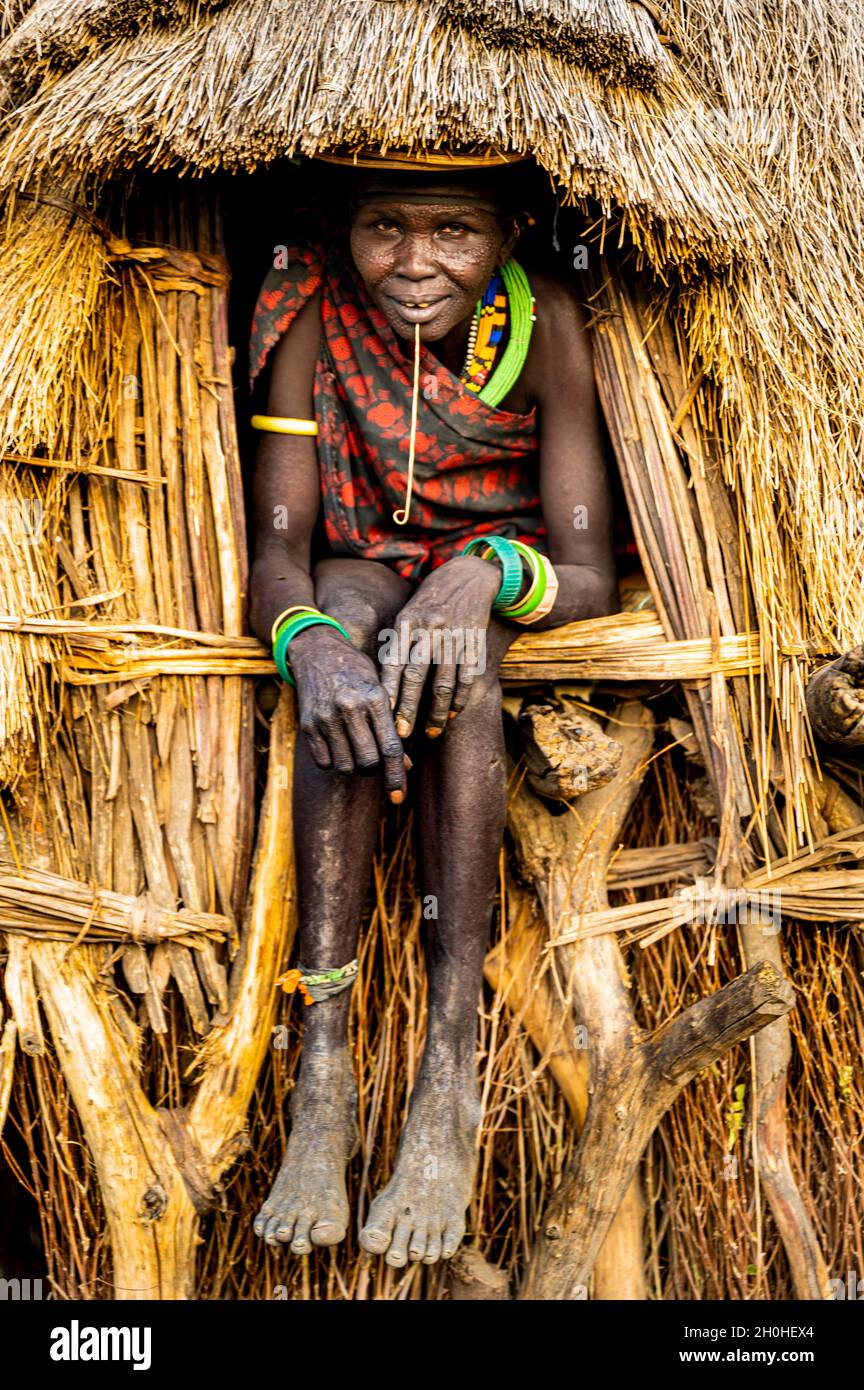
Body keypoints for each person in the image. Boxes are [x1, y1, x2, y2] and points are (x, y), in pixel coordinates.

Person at [249, 162, 616, 1268]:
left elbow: (590, 564)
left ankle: (446, 1075)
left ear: (510, 230)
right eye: (384, 228)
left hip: (492, 580)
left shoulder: (545, 323)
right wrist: (306, 641)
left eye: (454, 230)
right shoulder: (316, 310)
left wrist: (487, 573)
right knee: (352, 654)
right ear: (343, 230)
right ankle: (326, 1069)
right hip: (358, 563)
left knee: (454, 667)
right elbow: (280, 541)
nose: (415, 264)